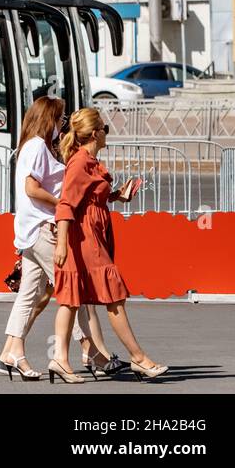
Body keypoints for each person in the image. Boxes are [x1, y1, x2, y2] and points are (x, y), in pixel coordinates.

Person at [48, 108, 168, 384]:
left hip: (93, 233)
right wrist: (62, 244)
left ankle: (60, 359)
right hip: (84, 237)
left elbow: (90, 198)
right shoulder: (80, 162)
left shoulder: (89, 161)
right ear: (94, 133)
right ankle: (139, 358)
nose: (106, 133)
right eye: (104, 128)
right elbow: (66, 204)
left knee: (71, 299)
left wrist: (116, 196)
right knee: (112, 297)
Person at [0, 96, 109, 380]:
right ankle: (90, 351)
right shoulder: (36, 146)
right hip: (43, 229)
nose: (62, 125)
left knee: (28, 296)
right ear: (49, 118)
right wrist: (60, 202)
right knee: (72, 291)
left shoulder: (32, 146)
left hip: (30, 231)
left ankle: (12, 352)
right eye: (60, 119)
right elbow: (32, 188)